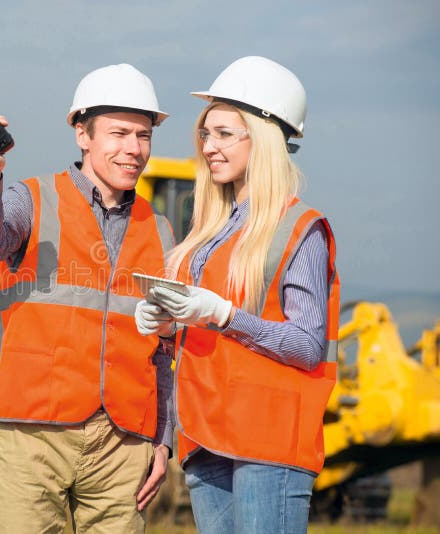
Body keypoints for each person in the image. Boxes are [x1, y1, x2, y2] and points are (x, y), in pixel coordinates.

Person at [0, 63, 176, 533]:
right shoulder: (30, 199)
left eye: (143, 136)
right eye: (119, 134)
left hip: (124, 443)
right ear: (83, 134)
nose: (133, 150)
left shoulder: (161, 231)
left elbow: (164, 347)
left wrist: (163, 440)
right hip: (35, 433)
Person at [135, 56, 340, 533]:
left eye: (225, 134)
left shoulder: (298, 228)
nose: (208, 146)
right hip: (205, 437)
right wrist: (171, 323)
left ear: (263, 137)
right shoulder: (208, 234)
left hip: (267, 441)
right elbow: (203, 329)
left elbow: (308, 346)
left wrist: (226, 315)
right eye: (206, 134)